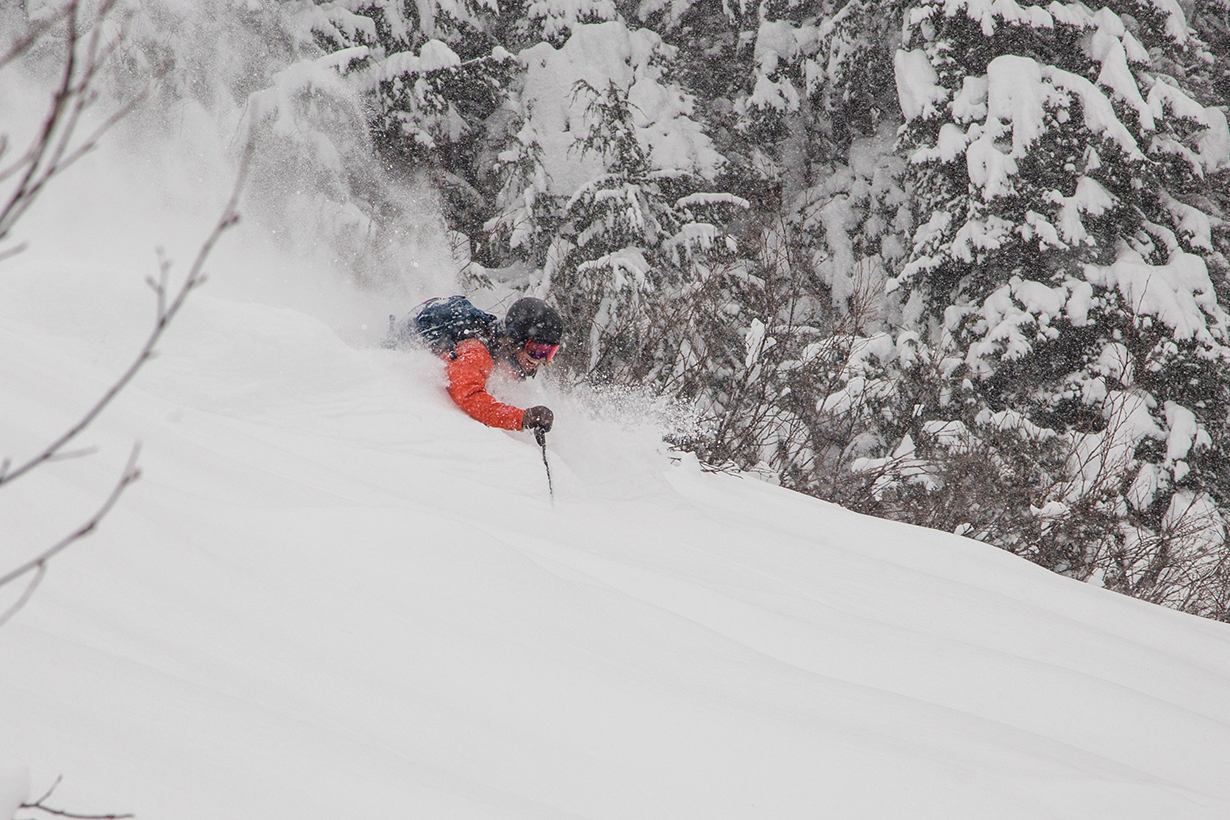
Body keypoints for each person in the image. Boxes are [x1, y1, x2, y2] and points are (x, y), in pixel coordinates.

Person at [442, 297, 560, 433]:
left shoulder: (500, 352)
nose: (541, 359)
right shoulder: (476, 353)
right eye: (536, 349)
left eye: (549, 352)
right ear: (516, 341)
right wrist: (522, 418)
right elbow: (471, 399)